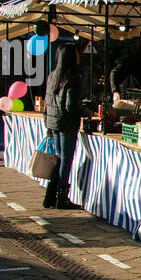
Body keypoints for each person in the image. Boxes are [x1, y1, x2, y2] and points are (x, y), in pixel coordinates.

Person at [41, 39, 85, 210]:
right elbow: (71, 106)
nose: (79, 56)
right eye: (76, 54)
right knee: (66, 160)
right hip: (67, 124)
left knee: (59, 159)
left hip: (54, 122)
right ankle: (62, 198)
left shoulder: (53, 75)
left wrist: (47, 122)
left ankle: (50, 196)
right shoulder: (73, 78)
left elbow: (48, 101)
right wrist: (85, 112)